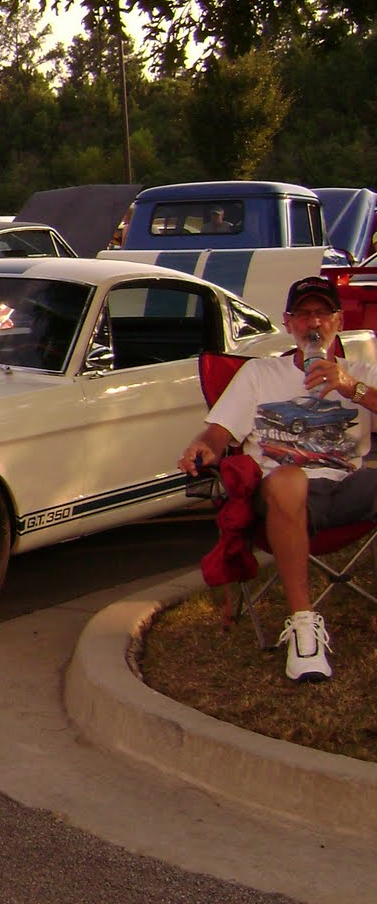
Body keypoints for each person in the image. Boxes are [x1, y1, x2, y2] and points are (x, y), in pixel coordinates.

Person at [178, 276, 377, 682]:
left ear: (338, 321)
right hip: (279, 497)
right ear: (288, 323)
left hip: (346, 487)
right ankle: (304, 627)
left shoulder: (361, 373)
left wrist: (349, 387)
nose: (313, 323)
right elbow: (219, 433)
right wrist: (204, 446)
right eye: (303, 314)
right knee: (289, 478)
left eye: (323, 313)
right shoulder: (259, 374)